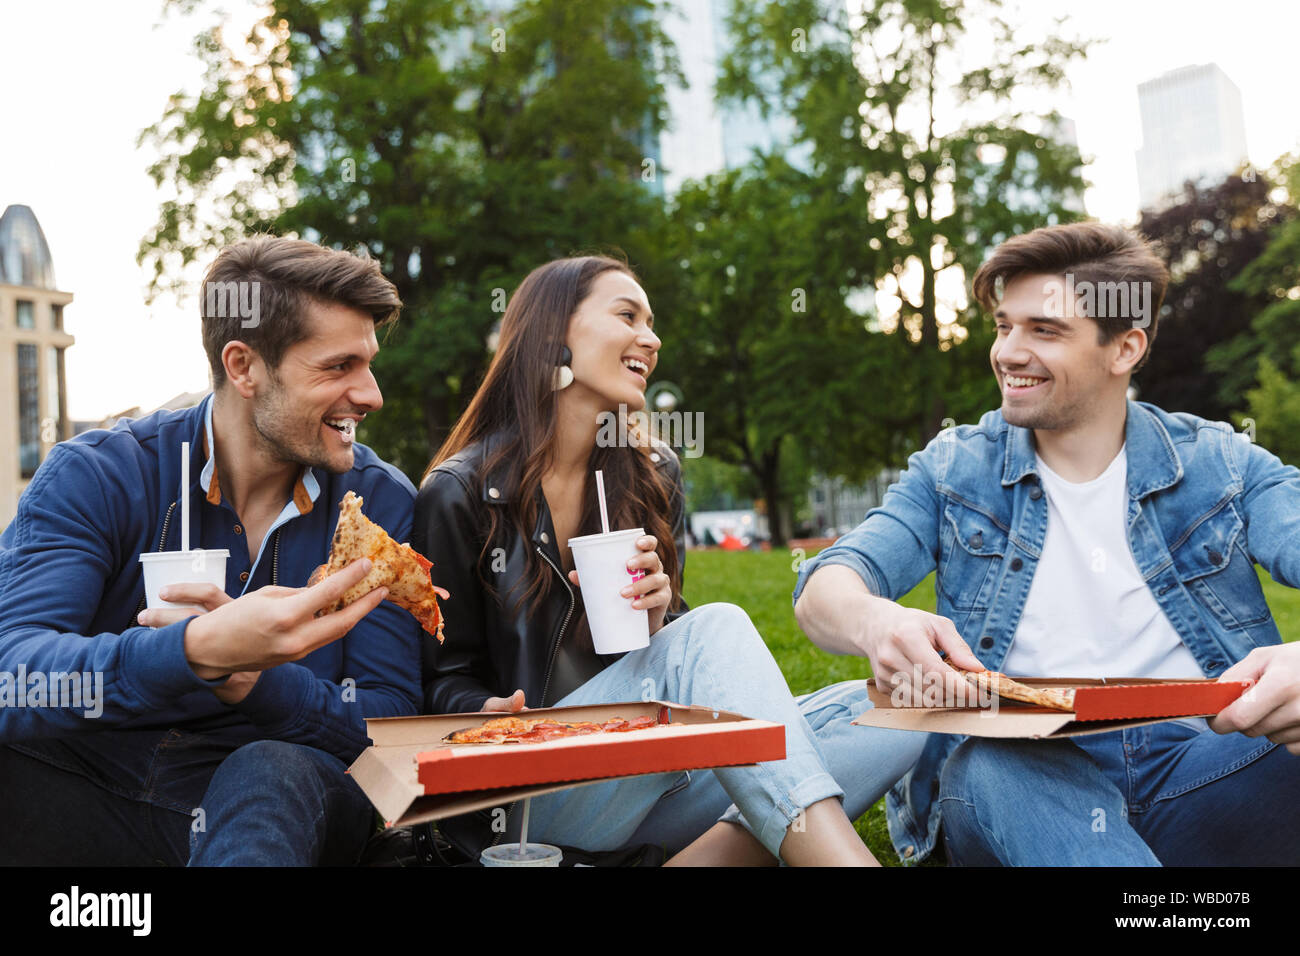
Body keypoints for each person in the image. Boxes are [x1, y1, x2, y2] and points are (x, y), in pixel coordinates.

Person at [793, 222, 1300, 866]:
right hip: (1020, 772)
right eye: (1005, 326)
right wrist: (875, 621)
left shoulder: (1220, 463)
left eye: (1045, 330)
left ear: (1125, 348)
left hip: (1201, 767)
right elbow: (828, 584)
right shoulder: (954, 469)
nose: (1008, 351)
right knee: (997, 764)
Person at [413, 255, 925, 866]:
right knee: (717, 629)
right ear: (554, 335)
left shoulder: (651, 475)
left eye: (652, 322)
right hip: (526, 791)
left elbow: (671, 665)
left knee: (897, 708)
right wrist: (484, 711)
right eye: (627, 315)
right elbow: (440, 678)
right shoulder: (461, 491)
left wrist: (661, 622)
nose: (651, 339)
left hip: (643, 769)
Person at [0, 236, 422, 866]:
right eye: (338, 367)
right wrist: (193, 652)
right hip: (101, 782)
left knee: (269, 773)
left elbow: (388, 726)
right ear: (243, 366)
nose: (371, 394)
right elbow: (15, 677)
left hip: (278, 798)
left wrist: (256, 679)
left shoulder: (377, 501)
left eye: (368, 364)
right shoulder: (100, 475)